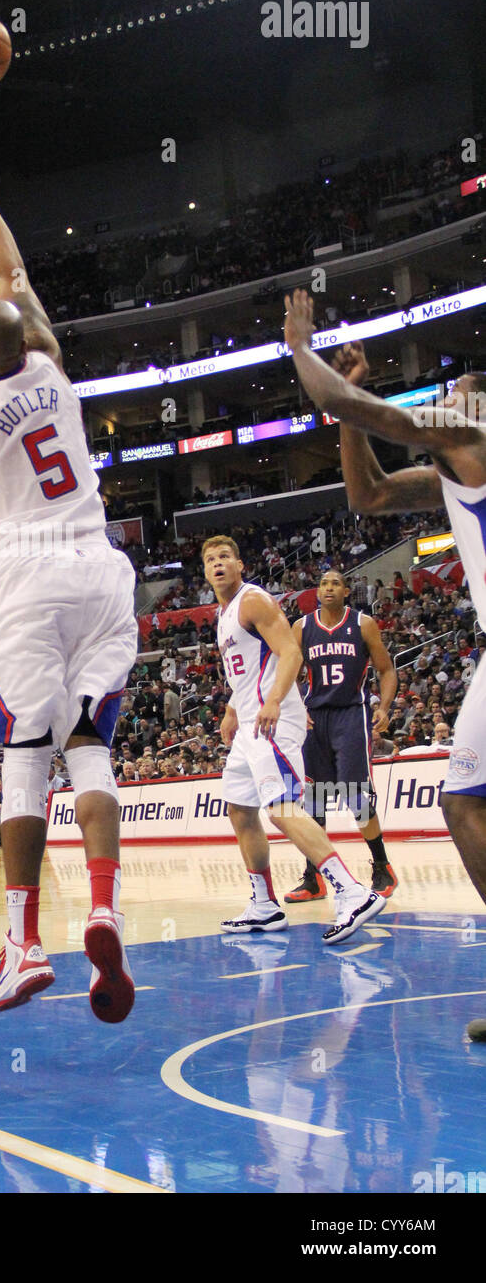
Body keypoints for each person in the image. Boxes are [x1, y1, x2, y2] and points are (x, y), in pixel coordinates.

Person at [0, 137, 139, 1022]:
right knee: (88, 746)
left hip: (30, 583)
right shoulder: (49, 364)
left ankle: (22, 942)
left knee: (20, 758)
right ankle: (104, 905)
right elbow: (13, 279)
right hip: (102, 571)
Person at [285, 288, 486, 1040]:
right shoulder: (460, 469)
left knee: (465, 805)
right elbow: (366, 495)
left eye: (456, 392)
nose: (446, 399)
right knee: (462, 804)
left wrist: (303, 352)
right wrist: (347, 408)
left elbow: (377, 416)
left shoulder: (472, 438)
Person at [203, 535, 385, 945]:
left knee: (282, 807)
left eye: (226, 557)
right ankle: (264, 905)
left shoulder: (253, 600)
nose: (218, 564)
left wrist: (273, 701)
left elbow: (290, 653)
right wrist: (233, 709)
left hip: (272, 718)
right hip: (248, 720)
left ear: (240, 565)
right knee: (240, 809)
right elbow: (245, 672)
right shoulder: (224, 614)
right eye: (211, 559)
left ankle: (351, 890)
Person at [286, 569, 398, 902]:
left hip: (351, 713)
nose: (329, 588)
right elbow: (288, 672)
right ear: (317, 591)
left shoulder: (363, 624)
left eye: (335, 583)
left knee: (356, 796)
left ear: (346, 591)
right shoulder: (301, 627)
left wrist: (385, 706)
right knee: (314, 801)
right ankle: (314, 878)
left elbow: (387, 669)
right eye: (323, 583)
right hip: (314, 717)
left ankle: (381, 866)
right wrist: (295, 706)